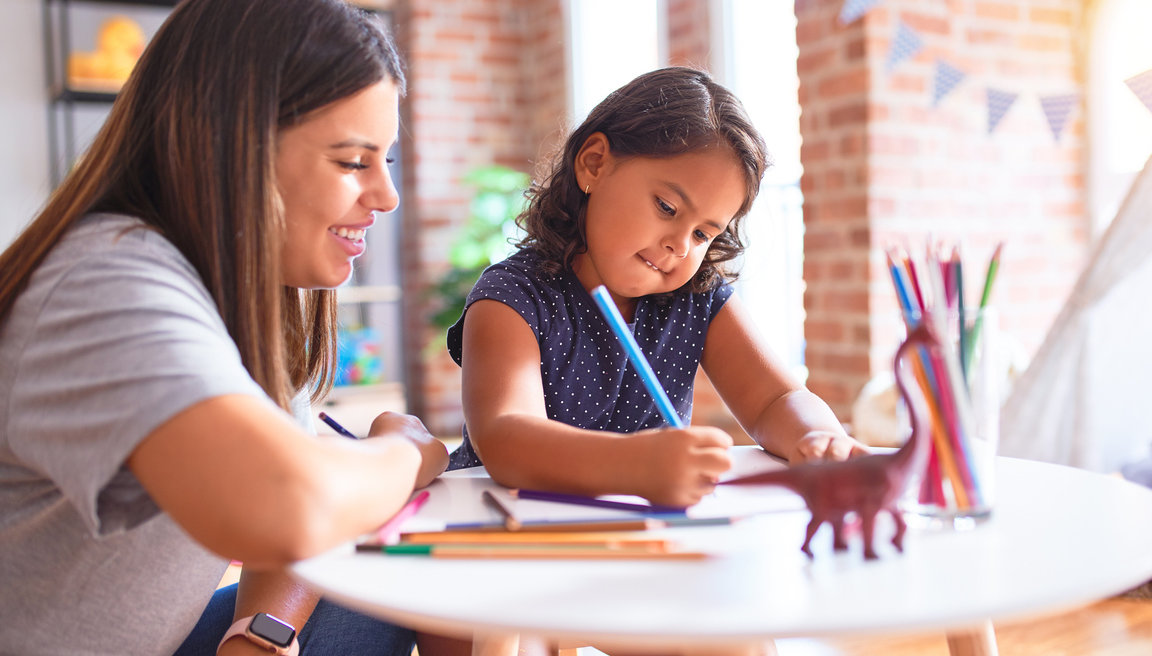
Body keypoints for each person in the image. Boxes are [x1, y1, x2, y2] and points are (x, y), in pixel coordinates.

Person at [0, 1, 450, 654]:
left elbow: (291, 505)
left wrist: (259, 635)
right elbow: (286, 507)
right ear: (234, 149)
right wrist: (404, 453)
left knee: (416, 573)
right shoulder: (106, 281)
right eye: (354, 161)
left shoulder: (246, 291)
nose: (386, 195)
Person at [448, 66, 868, 510]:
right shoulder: (512, 296)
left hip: (637, 541)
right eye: (667, 207)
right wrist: (634, 466)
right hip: (507, 530)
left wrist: (819, 438)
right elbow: (505, 436)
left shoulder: (698, 299)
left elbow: (776, 399)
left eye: (703, 234)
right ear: (594, 164)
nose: (679, 245)